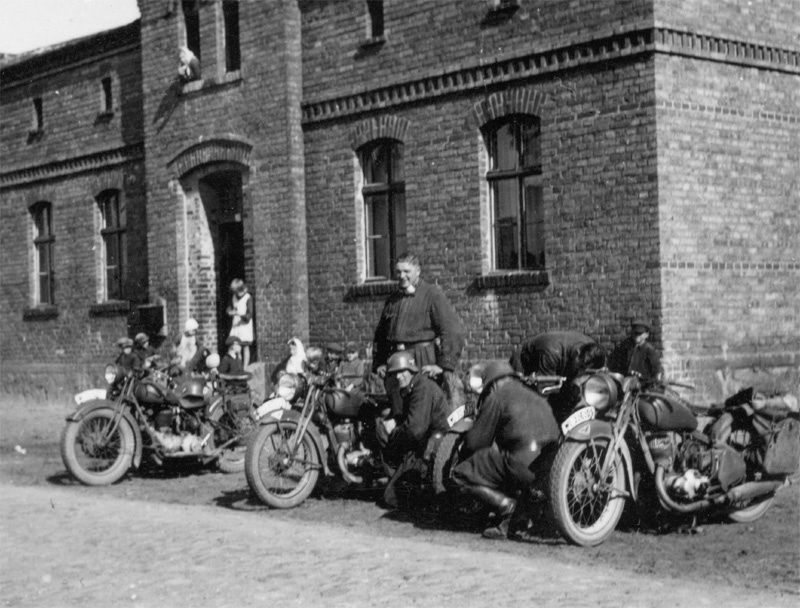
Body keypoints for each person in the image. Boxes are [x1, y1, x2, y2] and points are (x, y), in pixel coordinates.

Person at [452, 361, 560, 540]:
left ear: (493, 384)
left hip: (521, 465)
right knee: (507, 460)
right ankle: (523, 515)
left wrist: (465, 455)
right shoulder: (537, 396)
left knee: (461, 473)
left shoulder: (497, 396)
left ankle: (506, 506)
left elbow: (476, 442)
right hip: (549, 469)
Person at [372, 253, 465, 412]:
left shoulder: (431, 294)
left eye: (406, 271)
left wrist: (444, 365)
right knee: (398, 410)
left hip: (422, 362)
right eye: (398, 272)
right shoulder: (392, 300)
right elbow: (380, 336)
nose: (402, 276)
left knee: (422, 409)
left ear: (418, 271)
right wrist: (379, 362)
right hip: (395, 364)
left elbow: (451, 330)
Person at [376, 351, 450, 509]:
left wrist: (394, 432)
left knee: (392, 497)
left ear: (411, 370)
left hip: (433, 449)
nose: (398, 377)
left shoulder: (422, 388)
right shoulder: (414, 386)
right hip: (425, 444)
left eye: (402, 371)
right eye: (395, 373)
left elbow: (415, 430)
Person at [509, 331, 606, 420]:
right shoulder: (552, 354)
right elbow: (544, 391)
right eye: (580, 367)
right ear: (577, 353)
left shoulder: (593, 350)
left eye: (585, 371)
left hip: (559, 361)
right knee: (522, 404)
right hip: (525, 361)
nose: (581, 373)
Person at [609, 318, 662, 384]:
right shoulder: (625, 347)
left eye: (640, 333)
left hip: (642, 386)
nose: (637, 336)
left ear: (646, 335)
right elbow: (616, 365)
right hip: (625, 383)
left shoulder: (649, 351)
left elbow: (657, 373)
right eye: (635, 333)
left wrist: (643, 378)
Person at [227, 279, 254, 368]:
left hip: (245, 325)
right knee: (235, 345)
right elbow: (229, 308)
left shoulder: (248, 297)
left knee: (245, 346)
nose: (235, 293)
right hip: (236, 325)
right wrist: (230, 312)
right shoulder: (233, 297)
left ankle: (245, 367)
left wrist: (239, 314)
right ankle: (238, 366)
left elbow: (249, 315)